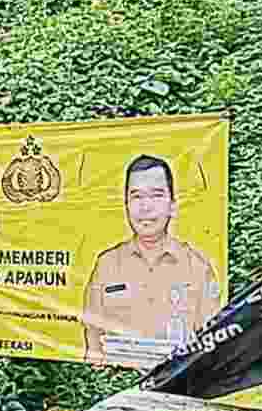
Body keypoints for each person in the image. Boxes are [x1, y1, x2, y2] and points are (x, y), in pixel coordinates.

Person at [81, 153, 221, 363]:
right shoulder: (106, 265)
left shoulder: (198, 267)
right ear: (126, 205)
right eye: (136, 196)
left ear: (172, 206)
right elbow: (93, 340)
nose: (145, 207)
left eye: (156, 195)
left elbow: (210, 343)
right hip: (119, 379)